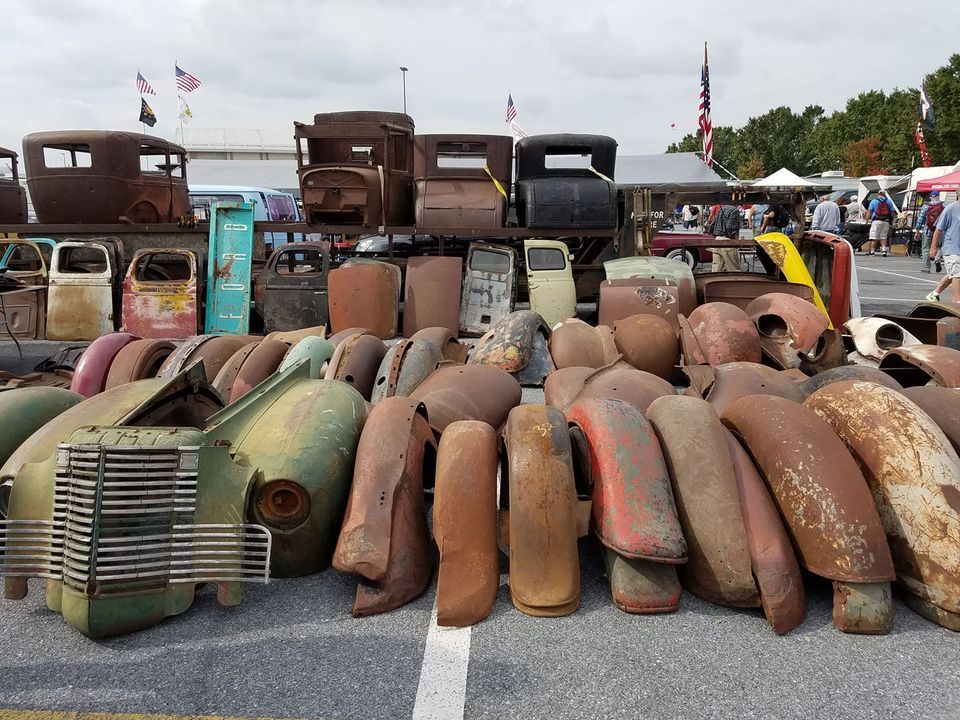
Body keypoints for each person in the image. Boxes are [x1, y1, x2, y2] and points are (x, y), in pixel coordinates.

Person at [926, 197, 960, 303]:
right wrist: (933, 247)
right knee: (957, 275)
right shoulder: (950, 209)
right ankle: (957, 304)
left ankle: (934, 294)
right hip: (952, 249)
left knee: (953, 273)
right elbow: (938, 229)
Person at [705, 204, 742, 271]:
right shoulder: (735, 210)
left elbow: (712, 225)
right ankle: (735, 281)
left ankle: (714, 281)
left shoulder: (721, 209)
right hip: (728, 241)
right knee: (734, 269)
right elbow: (729, 227)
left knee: (716, 268)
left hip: (718, 240)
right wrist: (735, 238)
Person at [914, 191, 945, 273]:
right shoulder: (944, 206)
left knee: (926, 248)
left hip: (928, 230)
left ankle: (926, 267)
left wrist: (917, 231)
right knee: (939, 247)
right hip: (940, 230)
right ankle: (937, 259)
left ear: (930, 197)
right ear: (938, 196)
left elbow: (920, 220)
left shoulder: (926, 206)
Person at [866, 190, 897, 256]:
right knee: (883, 236)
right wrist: (892, 220)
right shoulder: (888, 201)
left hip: (876, 221)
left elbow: (869, 212)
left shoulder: (874, 201)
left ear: (878, 194)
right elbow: (892, 212)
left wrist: (867, 220)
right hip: (886, 221)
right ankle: (884, 251)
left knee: (874, 237)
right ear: (884, 194)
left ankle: (872, 251)